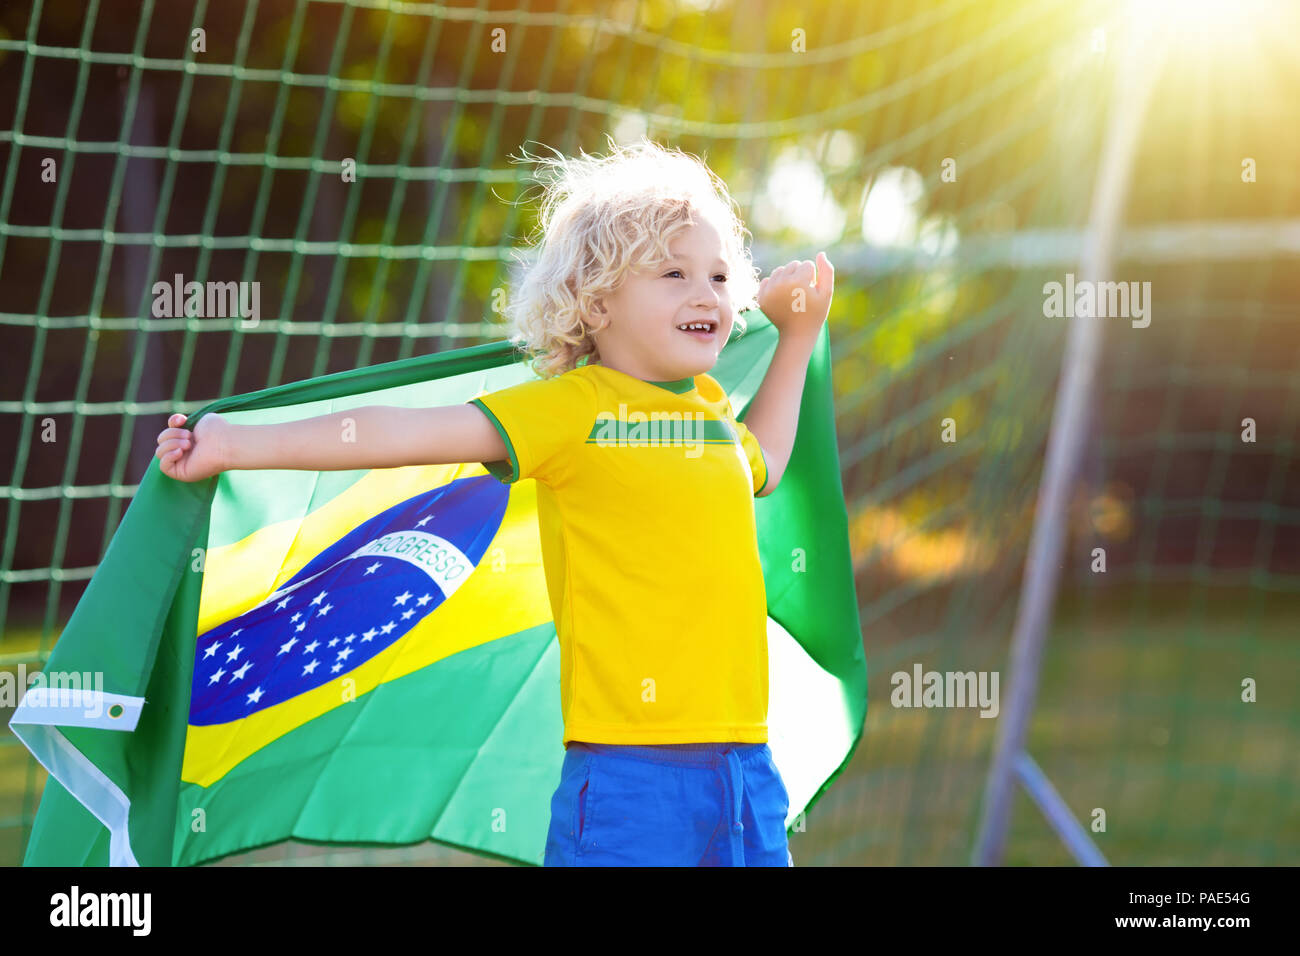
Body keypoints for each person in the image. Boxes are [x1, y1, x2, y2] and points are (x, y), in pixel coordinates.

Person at [155, 137, 834, 866]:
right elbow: (399, 434)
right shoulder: (574, 411)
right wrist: (237, 445)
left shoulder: (708, 413)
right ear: (597, 300)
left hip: (746, 772)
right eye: (674, 273)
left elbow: (762, 462)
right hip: (632, 778)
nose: (708, 293)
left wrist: (799, 334)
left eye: (719, 275)